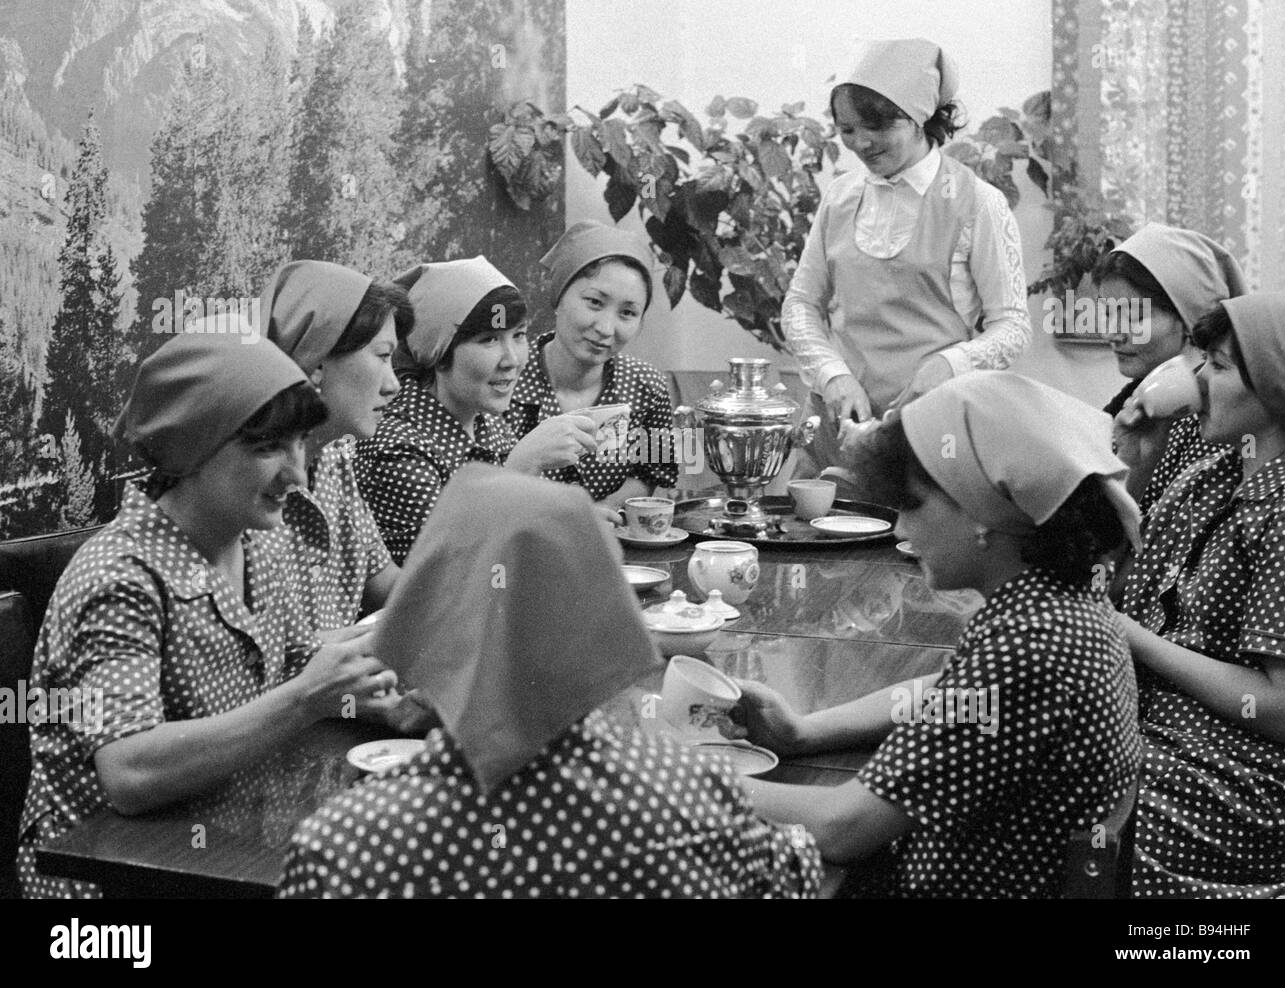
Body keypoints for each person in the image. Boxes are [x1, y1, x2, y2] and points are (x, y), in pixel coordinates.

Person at [277, 464, 824, 898]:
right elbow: (795, 872)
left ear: (427, 615)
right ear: (606, 611)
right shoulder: (694, 794)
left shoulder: (344, 846)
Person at [729, 373, 1143, 897]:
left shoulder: (1029, 648)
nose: (901, 529)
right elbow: (948, 696)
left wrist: (679, 779)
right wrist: (804, 731)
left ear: (984, 511)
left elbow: (842, 828)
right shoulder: (1059, 602)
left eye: (913, 505)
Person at [18, 326, 397, 898]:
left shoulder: (256, 541)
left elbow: (296, 658)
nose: (296, 474)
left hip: (226, 846)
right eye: (268, 447)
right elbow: (129, 773)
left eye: (299, 444)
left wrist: (385, 694)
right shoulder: (121, 578)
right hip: (116, 891)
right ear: (191, 447)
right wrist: (304, 699)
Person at [783, 38, 1031, 498]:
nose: (861, 143)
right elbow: (800, 304)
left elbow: (1012, 326)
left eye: (877, 125)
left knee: (918, 561)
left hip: (937, 435)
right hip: (838, 433)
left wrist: (948, 364)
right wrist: (832, 375)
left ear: (920, 116)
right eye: (847, 130)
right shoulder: (839, 197)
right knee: (820, 559)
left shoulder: (978, 203)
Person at [1118, 293, 1285, 898]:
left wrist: (1135, 642)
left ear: (1274, 389)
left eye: (1218, 366)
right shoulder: (1214, 472)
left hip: (1226, 774)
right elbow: (1121, 586)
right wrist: (1138, 465)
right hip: (1151, 726)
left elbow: (1284, 710)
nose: (1196, 379)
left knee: (1023, 793)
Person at [356, 257, 597, 563]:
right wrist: (522, 463)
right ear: (440, 352)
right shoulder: (398, 444)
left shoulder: (489, 424)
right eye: (489, 340)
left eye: (519, 335)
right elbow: (445, 571)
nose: (512, 360)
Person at [260, 260, 413, 632]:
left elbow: (387, 585)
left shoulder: (334, 457)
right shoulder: (248, 482)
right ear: (316, 363)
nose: (394, 384)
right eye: (382, 356)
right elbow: (274, 658)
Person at [506, 221, 678, 508]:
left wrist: (601, 512)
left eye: (627, 312)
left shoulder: (648, 387)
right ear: (558, 297)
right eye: (595, 302)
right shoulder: (506, 379)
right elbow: (482, 489)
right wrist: (577, 521)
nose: (606, 328)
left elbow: (651, 472)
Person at [1096, 223, 1245, 515]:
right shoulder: (1128, 410)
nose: (1112, 333)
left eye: (1133, 316)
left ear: (1191, 317)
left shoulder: (1218, 428)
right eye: (1108, 313)